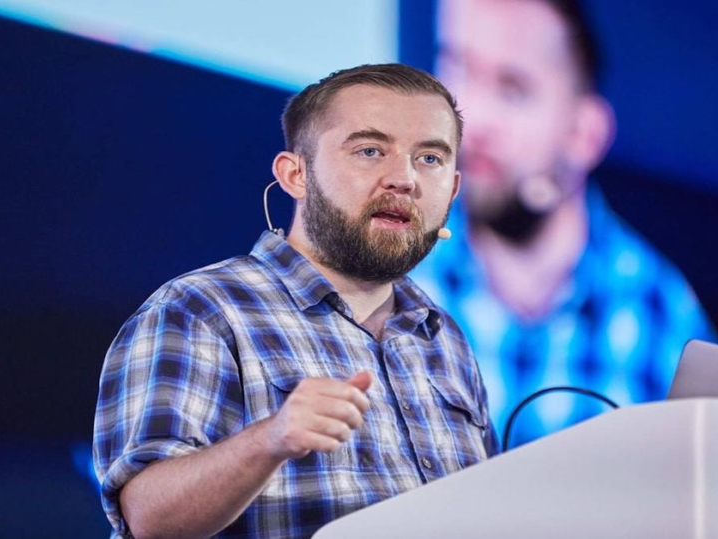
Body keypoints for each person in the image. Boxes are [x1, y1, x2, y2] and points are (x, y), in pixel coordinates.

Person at [93, 64, 497, 539]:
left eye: (429, 158)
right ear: (295, 175)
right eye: (370, 150)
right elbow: (149, 518)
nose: (404, 179)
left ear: (452, 189)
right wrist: (269, 439)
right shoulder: (201, 310)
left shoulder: (444, 337)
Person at [411, 0, 717, 448]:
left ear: (583, 135)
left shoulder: (664, 315)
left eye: (513, 89)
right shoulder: (379, 274)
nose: (469, 118)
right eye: (457, 68)